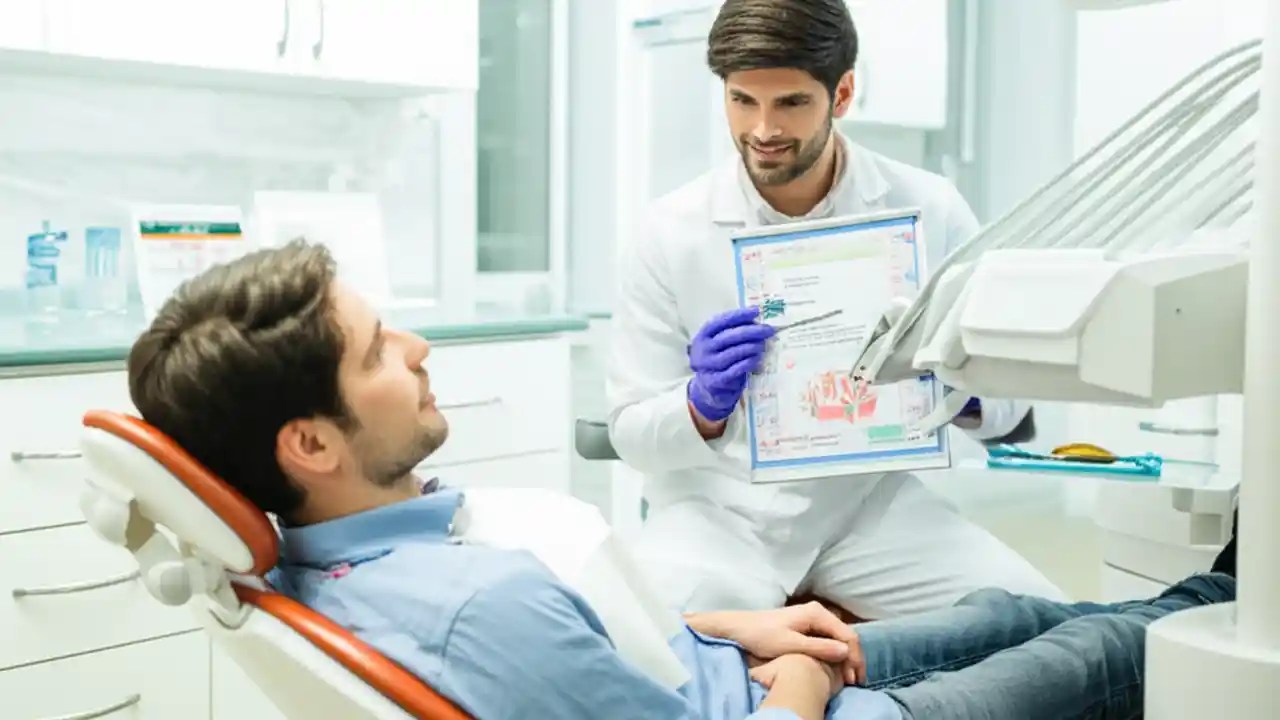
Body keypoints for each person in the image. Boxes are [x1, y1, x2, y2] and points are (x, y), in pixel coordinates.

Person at [127, 240, 1238, 720]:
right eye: (373, 352)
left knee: (1004, 610)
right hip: (802, 710)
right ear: (308, 447)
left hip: (719, 663)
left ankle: (1214, 593)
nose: (414, 346)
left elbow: (585, 641)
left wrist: (731, 633)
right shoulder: (473, 609)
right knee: (1093, 653)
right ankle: (1235, 593)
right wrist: (797, 685)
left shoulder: (357, 555)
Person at [607, 0, 1061, 617]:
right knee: (651, 648)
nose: (763, 129)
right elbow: (631, 432)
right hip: (716, 512)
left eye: (791, 102)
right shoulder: (668, 232)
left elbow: (1013, 404)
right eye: (742, 101)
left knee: (1038, 618)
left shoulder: (928, 209)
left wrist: (948, 378)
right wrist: (700, 405)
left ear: (842, 93)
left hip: (866, 508)